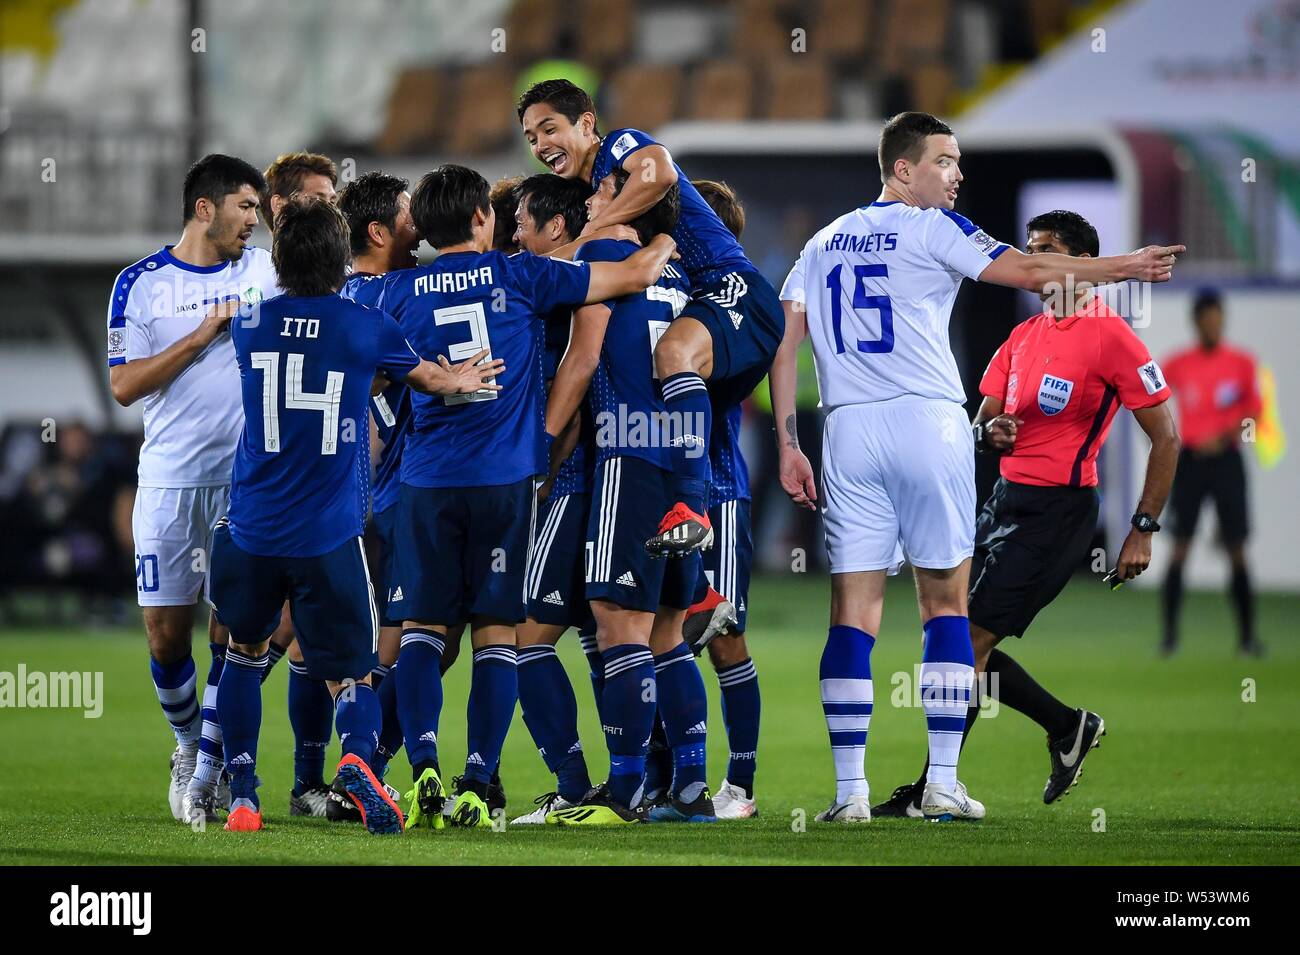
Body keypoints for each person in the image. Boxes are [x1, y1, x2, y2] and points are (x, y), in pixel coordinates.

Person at [771, 111, 1183, 823]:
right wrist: (1121, 266)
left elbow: (785, 347)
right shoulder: (933, 227)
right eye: (944, 161)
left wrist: (787, 442)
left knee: (852, 614)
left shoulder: (820, 242)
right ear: (904, 169)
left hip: (845, 430)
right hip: (928, 422)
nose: (957, 175)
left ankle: (849, 796)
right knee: (947, 605)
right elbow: (1025, 269)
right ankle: (943, 784)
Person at [373, 164, 676, 828]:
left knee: (422, 630)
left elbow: (363, 362)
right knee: (497, 637)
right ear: (483, 217)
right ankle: (477, 780)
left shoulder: (394, 292)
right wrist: (664, 238)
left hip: (425, 482)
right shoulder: (519, 276)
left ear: (422, 229)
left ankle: (421, 764)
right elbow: (631, 276)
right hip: (504, 484)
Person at [208, 196, 503, 834]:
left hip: (252, 529)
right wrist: (462, 379)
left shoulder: (249, 323)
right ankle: (355, 763)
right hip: (328, 535)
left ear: (281, 263)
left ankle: (242, 796)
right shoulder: (364, 328)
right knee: (352, 676)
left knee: (243, 654)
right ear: (344, 261)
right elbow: (429, 379)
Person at [873, 210, 1180, 817]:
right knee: (957, 641)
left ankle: (937, 789)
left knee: (966, 642)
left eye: (1048, 249)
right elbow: (980, 425)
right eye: (1031, 248)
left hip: (1058, 514)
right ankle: (1064, 727)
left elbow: (1166, 437)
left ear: (1083, 265)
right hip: (1002, 504)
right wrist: (993, 435)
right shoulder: (1023, 336)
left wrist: (1142, 530)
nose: (1034, 260)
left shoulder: (1111, 335)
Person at [517, 79, 785, 557]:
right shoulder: (592, 202)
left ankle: (694, 509)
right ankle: (694, 581)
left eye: (549, 129)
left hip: (734, 291)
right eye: (531, 137)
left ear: (586, 123)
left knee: (672, 353)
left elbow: (658, 173)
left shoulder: (619, 147)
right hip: (699, 310)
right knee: (653, 416)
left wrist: (590, 235)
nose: (540, 145)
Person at [106, 154, 278, 825]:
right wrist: (205, 332)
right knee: (164, 636)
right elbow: (124, 386)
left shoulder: (263, 270)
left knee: (232, 633)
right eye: (243, 205)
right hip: (172, 481)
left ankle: (210, 769)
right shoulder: (141, 284)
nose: (252, 219)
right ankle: (185, 745)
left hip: (245, 483)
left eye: (259, 208)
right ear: (204, 208)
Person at [541, 170, 713, 825]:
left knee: (619, 628)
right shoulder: (675, 272)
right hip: (683, 465)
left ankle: (624, 792)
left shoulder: (600, 257)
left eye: (602, 188)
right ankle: (693, 791)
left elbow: (583, 362)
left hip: (628, 455)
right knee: (668, 631)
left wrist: (542, 447)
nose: (588, 197)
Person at [324, 170, 421, 823]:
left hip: (355, 499)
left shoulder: (339, 300)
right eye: (412, 213)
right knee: (416, 636)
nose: (422, 224)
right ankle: (361, 769)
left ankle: (345, 772)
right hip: (400, 494)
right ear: (380, 230)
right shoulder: (398, 293)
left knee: (371, 643)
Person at [506, 173, 602, 824]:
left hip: (572, 484)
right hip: (610, 485)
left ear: (556, 227)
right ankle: (648, 780)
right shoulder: (587, 278)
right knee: (610, 641)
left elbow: (575, 387)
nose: (515, 233)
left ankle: (573, 787)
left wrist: (540, 470)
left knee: (525, 641)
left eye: (522, 221)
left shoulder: (568, 290)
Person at [681, 179, 761, 820]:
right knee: (658, 635)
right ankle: (674, 778)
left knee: (723, 635)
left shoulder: (725, 315)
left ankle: (741, 784)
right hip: (670, 495)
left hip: (717, 494)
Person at [1161, 290, 1263, 656]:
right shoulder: (1179, 364)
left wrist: (1225, 436)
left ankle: (1247, 638)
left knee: (1236, 547)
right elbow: (1150, 399)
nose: (1212, 326)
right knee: (1180, 547)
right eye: (1207, 320)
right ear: (1197, 322)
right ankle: (1169, 638)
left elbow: (1255, 413)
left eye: (1217, 319)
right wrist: (1166, 439)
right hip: (1190, 462)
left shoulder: (1242, 364)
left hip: (1226, 461)